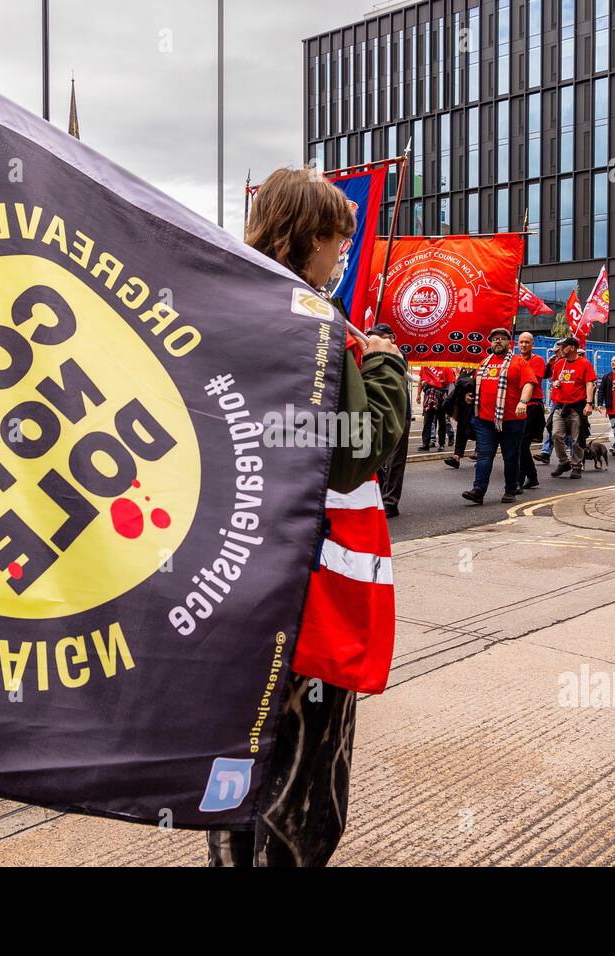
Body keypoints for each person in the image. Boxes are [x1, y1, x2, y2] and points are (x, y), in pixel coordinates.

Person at [205, 166, 407, 866]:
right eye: (338, 243)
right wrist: (383, 368)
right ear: (309, 237)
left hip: (232, 579)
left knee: (236, 763)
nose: (342, 257)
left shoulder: (223, 305)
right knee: (307, 778)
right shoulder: (313, 320)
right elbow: (353, 453)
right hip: (310, 589)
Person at [462, 327, 536, 505]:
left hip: (512, 421)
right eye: (495, 338)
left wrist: (523, 402)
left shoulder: (519, 362)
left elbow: (529, 383)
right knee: (484, 456)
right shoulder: (484, 362)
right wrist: (470, 396)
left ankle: (510, 489)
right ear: (491, 342)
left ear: (508, 343)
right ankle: (478, 491)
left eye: (502, 338)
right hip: (485, 420)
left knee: (510, 457)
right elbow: (476, 385)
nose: (498, 341)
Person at [370, 323, 411, 517]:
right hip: (376, 412)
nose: (373, 338)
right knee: (374, 457)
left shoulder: (397, 354)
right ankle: (380, 494)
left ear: (391, 338)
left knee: (395, 460)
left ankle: (390, 502)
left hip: (398, 413)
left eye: (378, 336)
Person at [549, 337, 597, 479]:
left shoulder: (584, 364)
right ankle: (564, 462)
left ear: (572, 348)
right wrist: (556, 383)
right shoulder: (559, 365)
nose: (560, 349)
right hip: (560, 406)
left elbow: (590, 384)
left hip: (577, 407)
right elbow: (554, 381)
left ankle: (577, 465)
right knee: (556, 435)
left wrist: (589, 403)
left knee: (577, 438)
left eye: (563, 347)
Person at [515, 332, 547, 490]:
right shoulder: (516, 360)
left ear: (532, 344)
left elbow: (529, 382)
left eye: (527, 342)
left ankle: (519, 481)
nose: (524, 345)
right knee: (521, 445)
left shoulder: (537, 360)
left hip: (532, 405)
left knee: (522, 444)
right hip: (518, 406)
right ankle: (532, 477)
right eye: (521, 342)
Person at [442, 367, 475, 468]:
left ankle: (481, 456)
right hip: (462, 408)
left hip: (474, 409)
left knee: (475, 432)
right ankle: (456, 458)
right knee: (461, 433)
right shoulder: (463, 371)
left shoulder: (478, 371)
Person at [417, 365, 454, 451]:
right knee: (427, 422)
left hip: (441, 396)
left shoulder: (446, 367)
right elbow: (421, 380)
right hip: (429, 395)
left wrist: (450, 399)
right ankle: (425, 443)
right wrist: (418, 395)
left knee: (442, 421)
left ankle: (441, 444)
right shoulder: (426, 365)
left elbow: (451, 385)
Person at [598, 356, 615, 455]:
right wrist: (599, 404)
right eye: (612, 361)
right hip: (611, 406)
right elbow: (601, 390)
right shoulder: (607, 376)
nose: (613, 362)